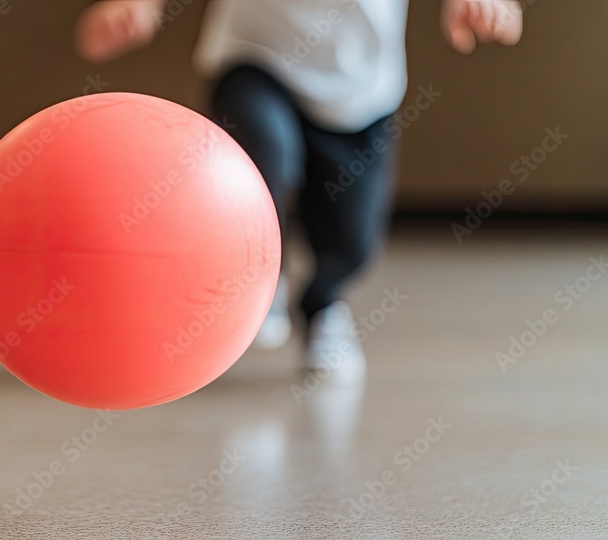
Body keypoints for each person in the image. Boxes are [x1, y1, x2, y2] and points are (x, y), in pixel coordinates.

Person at [75, 0, 523, 383]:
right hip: (257, 56)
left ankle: (323, 308)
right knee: (261, 149)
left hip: (360, 86)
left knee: (353, 241)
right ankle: (257, 278)